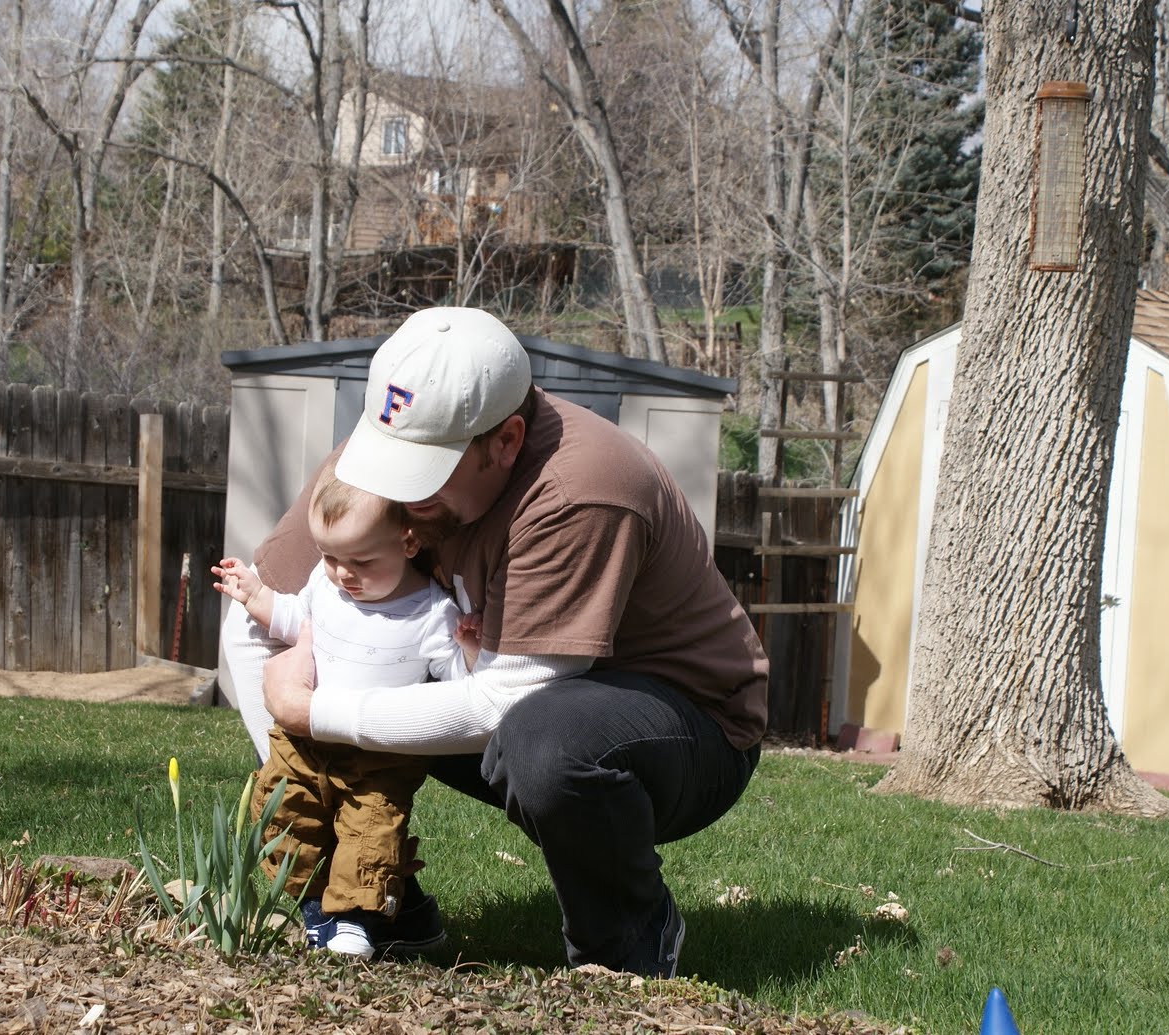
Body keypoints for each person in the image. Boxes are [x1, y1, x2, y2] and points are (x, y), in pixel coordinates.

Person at [221, 305, 768, 978]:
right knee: (369, 680)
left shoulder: (580, 488)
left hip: (688, 726)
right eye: (391, 459)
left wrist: (313, 712)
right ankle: (372, 906)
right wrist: (303, 768)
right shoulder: (385, 449)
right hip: (510, 690)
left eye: (424, 471)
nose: (397, 491)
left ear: (506, 441)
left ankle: (627, 949)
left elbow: (505, 702)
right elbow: (252, 622)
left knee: (547, 741)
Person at [212, 464, 478, 961]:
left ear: (408, 542)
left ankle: (355, 922)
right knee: (289, 819)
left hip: (379, 757)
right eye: (330, 556)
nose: (343, 573)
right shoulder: (327, 584)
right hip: (305, 743)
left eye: (361, 560)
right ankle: (317, 906)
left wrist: (468, 649)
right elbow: (296, 619)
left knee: (370, 834)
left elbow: (459, 686)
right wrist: (257, 596)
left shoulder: (430, 613)